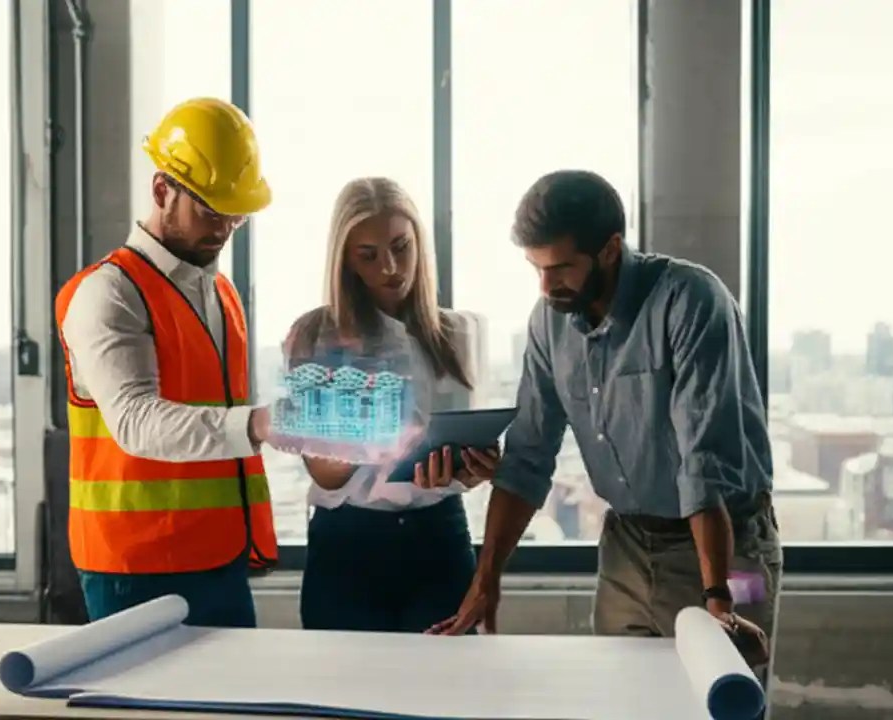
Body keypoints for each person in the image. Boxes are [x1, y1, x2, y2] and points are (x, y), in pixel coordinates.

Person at [431, 170, 782, 676]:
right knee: (622, 699)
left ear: (611, 248)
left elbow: (703, 467)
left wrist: (718, 595)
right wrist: (486, 581)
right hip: (626, 547)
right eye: (536, 268)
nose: (547, 285)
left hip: (727, 549)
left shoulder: (691, 301)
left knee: (722, 702)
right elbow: (528, 456)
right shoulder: (548, 321)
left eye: (561, 268)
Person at [54, 97, 280, 627]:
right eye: (210, 211)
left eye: (236, 215)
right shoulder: (109, 293)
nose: (225, 228)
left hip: (218, 558)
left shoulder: (222, 293)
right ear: (162, 190)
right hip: (135, 568)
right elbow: (135, 421)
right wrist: (261, 423)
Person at [282, 177, 501, 633]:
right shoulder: (313, 335)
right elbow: (324, 472)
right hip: (348, 544)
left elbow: (467, 453)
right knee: (346, 696)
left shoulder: (460, 333)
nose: (391, 267)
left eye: (402, 246)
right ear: (344, 259)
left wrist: (474, 467)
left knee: (446, 694)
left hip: (438, 535)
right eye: (369, 255)